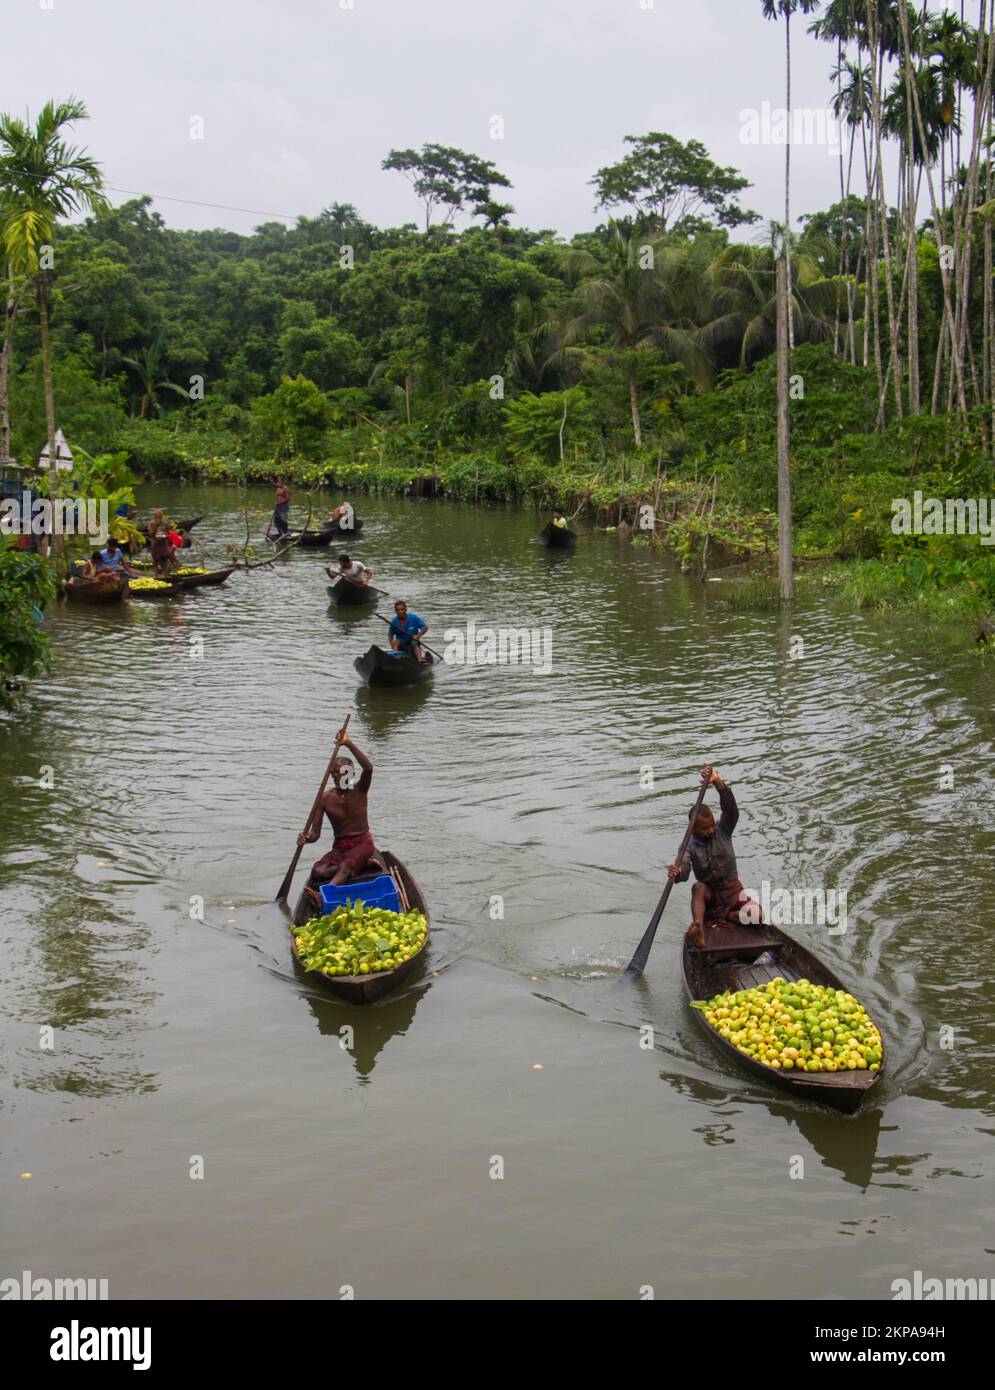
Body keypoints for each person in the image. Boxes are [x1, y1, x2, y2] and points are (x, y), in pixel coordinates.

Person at [668, 766, 760, 948]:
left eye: (711, 825)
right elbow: (684, 872)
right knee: (698, 887)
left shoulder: (723, 830)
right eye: (705, 828)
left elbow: (731, 810)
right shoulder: (688, 846)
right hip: (710, 897)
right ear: (693, 829)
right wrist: (677, 872)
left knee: (757, 916)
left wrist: (717, 781)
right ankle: (699, 928)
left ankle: (726, 915)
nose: (710, 830)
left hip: (734, 892)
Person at [298, 732, 375, 886]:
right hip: (340, 846)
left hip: (363, 843)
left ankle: (327, 894)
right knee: (317, 872)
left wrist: (348, 743)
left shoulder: (360, 789)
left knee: (345, 867)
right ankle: (363, 864)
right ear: (332, 775)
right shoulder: (324, 798)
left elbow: (368, 768)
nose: (346, 777)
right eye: (341, 773)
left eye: (349, 773)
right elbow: (315, 834)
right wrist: (306, 839)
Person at [147, 508, 173, 577]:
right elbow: (151, 535)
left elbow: (168, 533)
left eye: (160, 516)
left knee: (165, 562)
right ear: (155, 516)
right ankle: (156, 577)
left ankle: (166, 577)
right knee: (155, 562)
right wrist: (156, 526)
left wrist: (166, 537)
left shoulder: (165, 523)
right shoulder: (152, 523)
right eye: (157, 516)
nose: (159, 518)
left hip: (163, 544)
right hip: (155, 544)